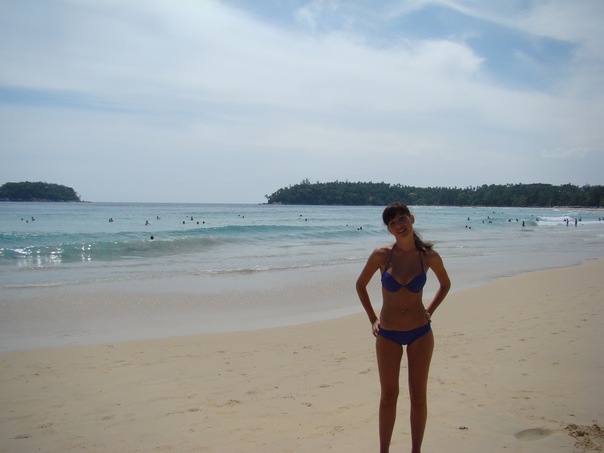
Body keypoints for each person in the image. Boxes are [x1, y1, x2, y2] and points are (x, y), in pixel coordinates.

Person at [356, 202, 451, 453]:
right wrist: (372, 318)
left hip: (420, 333)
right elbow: (360, 285)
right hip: (388, 334)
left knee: (418, 395)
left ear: (412, 218)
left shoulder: (428, 256)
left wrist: (429, 311)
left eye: (402, 219)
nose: (399, 225)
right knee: (389, 396)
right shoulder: (381, 255)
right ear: (389, 230)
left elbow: (445, 284)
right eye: (392, 223)